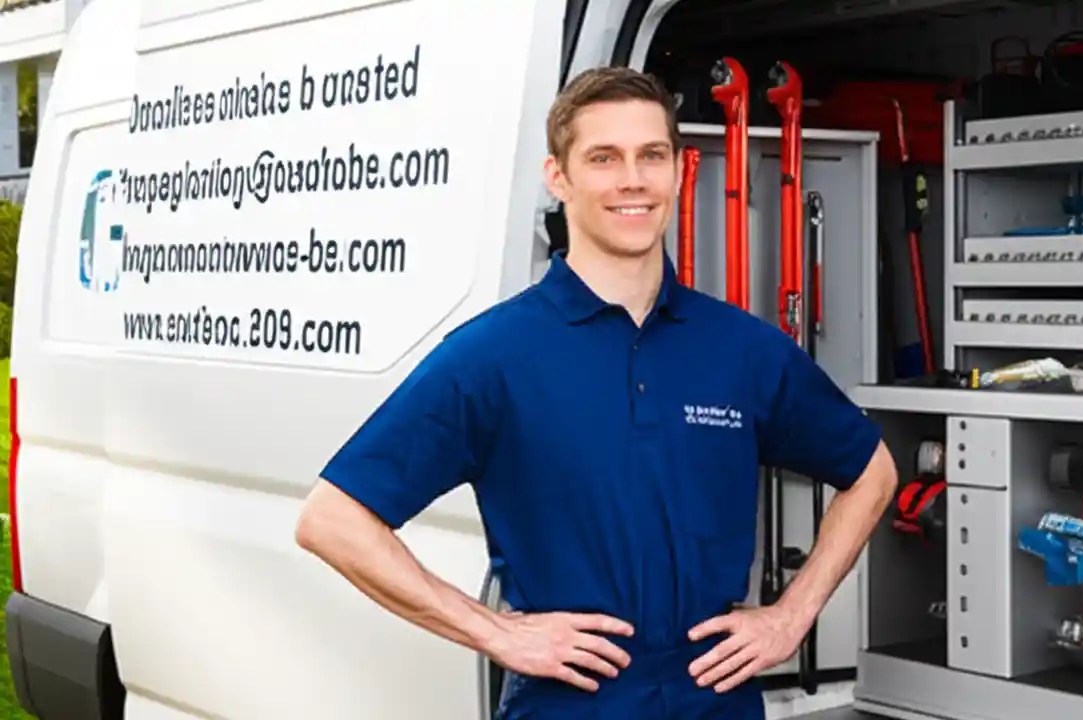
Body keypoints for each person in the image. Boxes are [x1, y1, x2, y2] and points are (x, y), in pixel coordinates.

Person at [295, 66, 898, 719]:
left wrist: (791, 616)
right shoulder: (493, 356)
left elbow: (874, 472)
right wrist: (496, 632)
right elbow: (333, 520)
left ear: (676, 171)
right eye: (603, 158)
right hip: (573, 700)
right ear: (559, 178)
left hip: (715, 697)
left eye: (652, 156)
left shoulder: (740, 349)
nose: (633, 180)